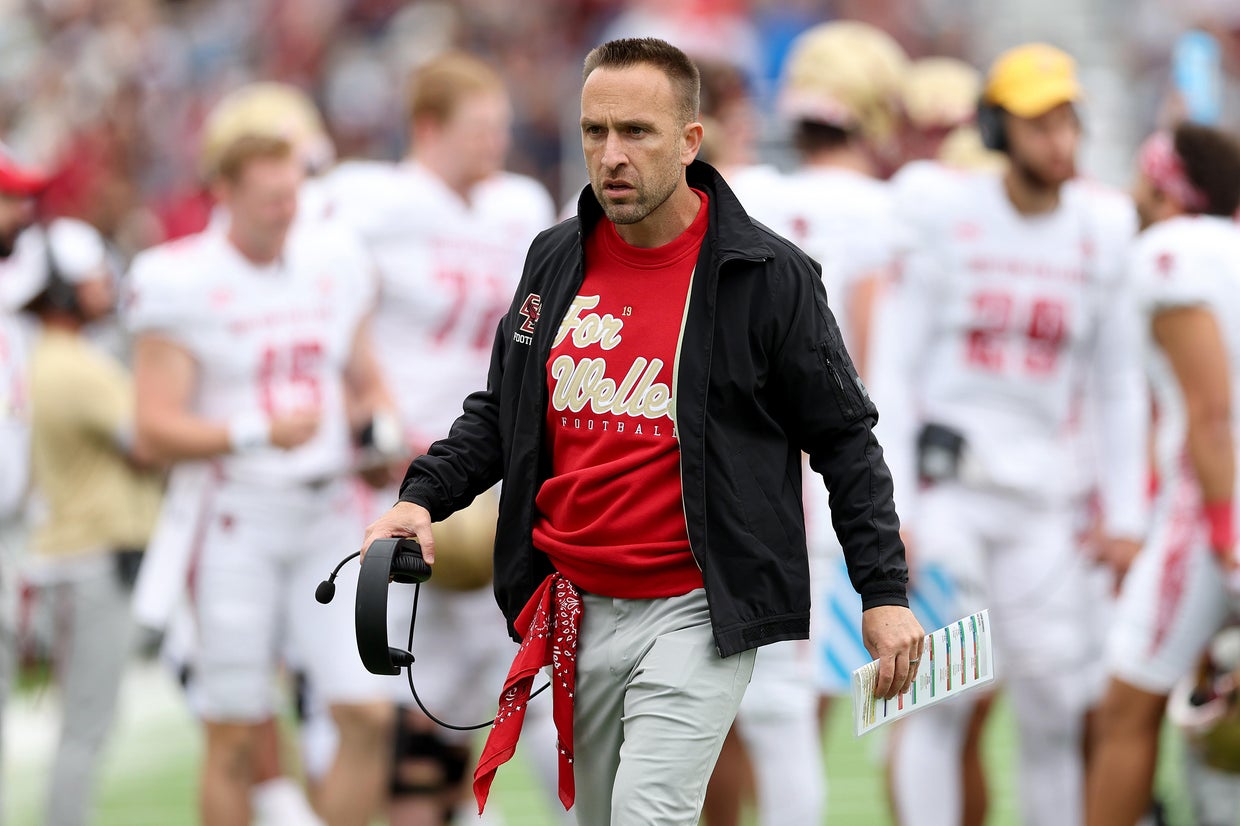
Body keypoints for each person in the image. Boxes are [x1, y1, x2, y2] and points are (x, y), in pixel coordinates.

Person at [363, 36, 923, 826]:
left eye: (637, 132)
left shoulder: (768, 274)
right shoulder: (555, 257)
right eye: (595, 132)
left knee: (648, 815)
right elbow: (503, 411)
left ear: (691, 142)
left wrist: (884, 592)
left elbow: (845, 440)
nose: (612, 155)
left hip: (696, 607)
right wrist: (421, 499)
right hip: (569, 603)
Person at [876, 43, 1149, 826]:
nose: (1058, 140)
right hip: (952, 495)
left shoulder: (1102, 226)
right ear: (998, 128)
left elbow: (1117, 383)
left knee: (1055, 704)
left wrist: (1125, 515)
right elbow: (896, 366)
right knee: (939, 699)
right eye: (1038, 123)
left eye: (1067, 121)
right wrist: (895, 504)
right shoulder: (948, 212)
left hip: (1046, 505)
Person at [318, 51, 564, 826]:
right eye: (479, 127)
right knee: (384, 701)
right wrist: (381, 415)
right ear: (428, 127)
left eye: (501, 126)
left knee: (471, 695)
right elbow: (333, 312)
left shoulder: (518, 204)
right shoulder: (370, 202)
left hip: (488, 474)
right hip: (405, 476)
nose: (496, 142)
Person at [126, 127, 397, 826]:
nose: (286, 211)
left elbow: (367, 381)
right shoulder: (180, 277)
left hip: (330, 508)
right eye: (270, 197)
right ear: (225, 192)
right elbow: (152, 429)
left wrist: (381, 430)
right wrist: (253, 433)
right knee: (237, 734)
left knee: (368, 712)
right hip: (235, 517)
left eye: (293, 194)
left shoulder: (331, 259)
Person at [1085, 123, 1240, 826]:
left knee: (1127, 706)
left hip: (1213, 508)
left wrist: (1222, 529)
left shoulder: (1171, 252)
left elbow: (1210, 412)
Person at [6, 215, 160, 826]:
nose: (108, 285)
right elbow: (150, 441)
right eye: (94, 276)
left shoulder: (51, 357)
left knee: (84, 727)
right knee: (85, 730)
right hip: (90, 560)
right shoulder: (73, 363)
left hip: (73, 556)